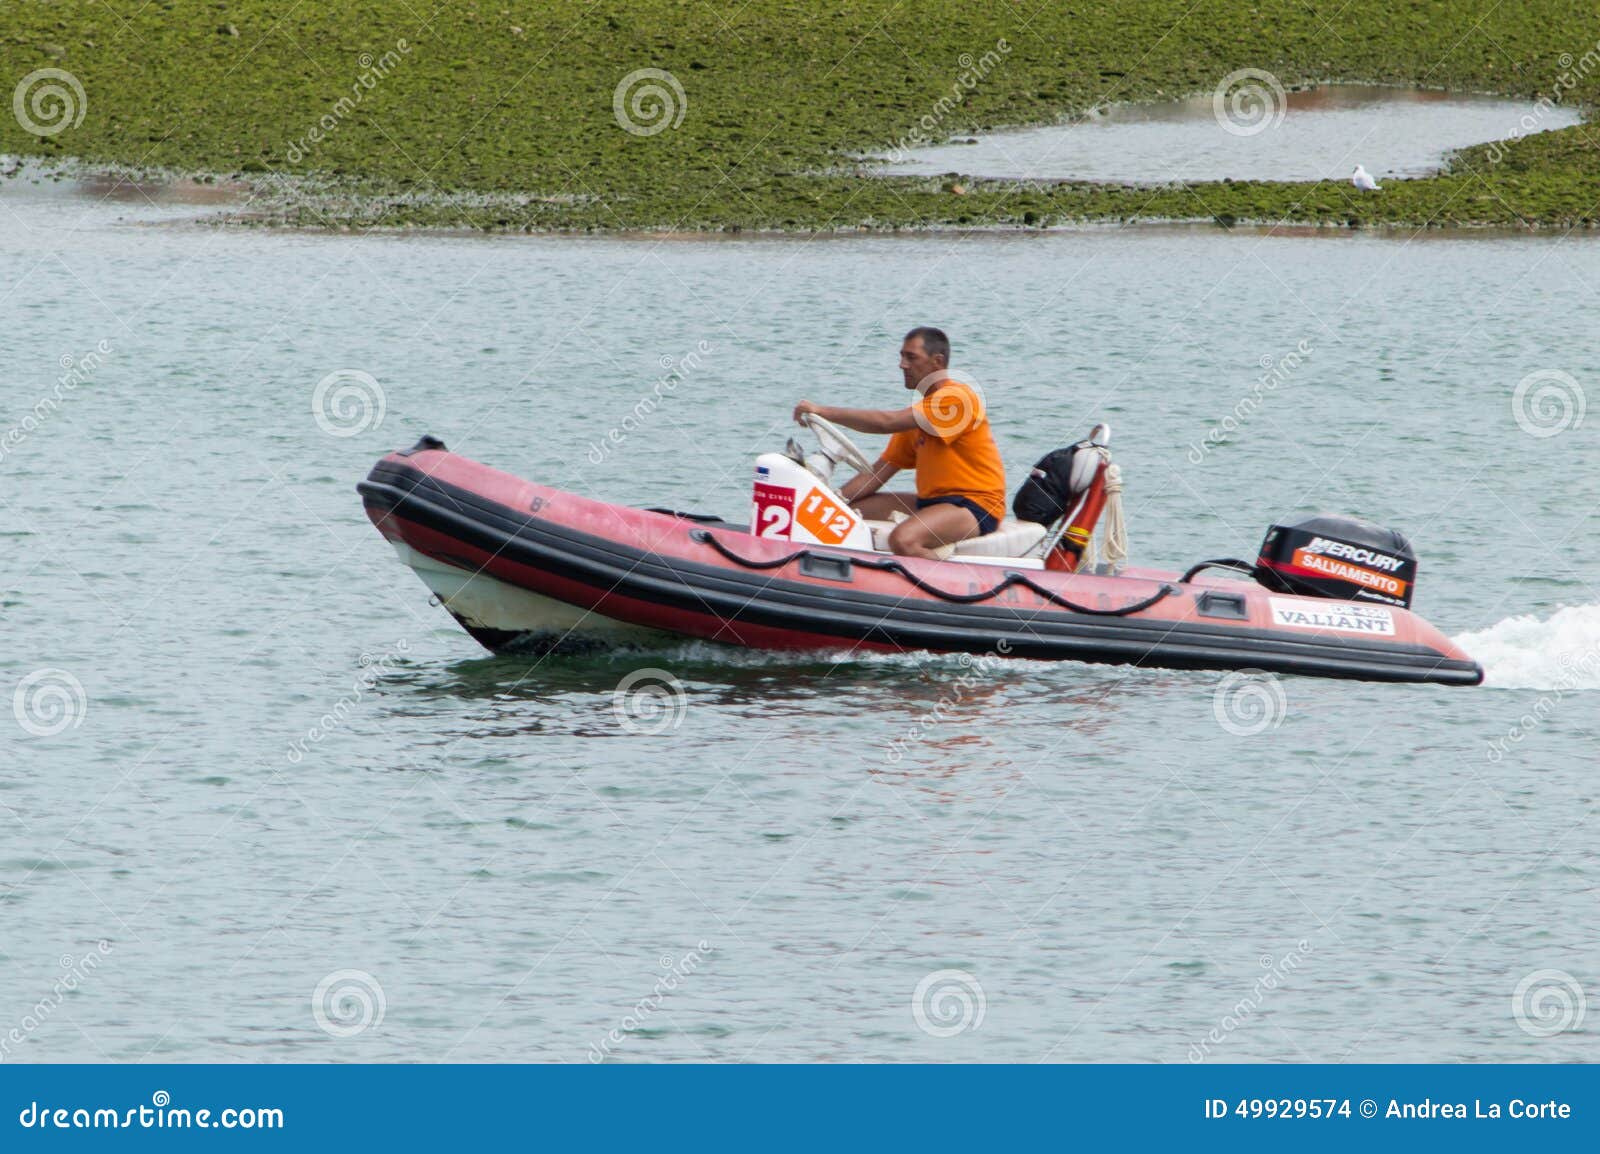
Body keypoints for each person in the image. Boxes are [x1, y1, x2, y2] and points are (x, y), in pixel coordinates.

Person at [792, 327, 1005, 559]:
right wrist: (829, 502)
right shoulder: (919, 414)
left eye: (911, 357)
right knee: (843, 514)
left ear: (937, 361)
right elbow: (878, 473)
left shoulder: (956, 399)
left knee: (903, 540)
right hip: (932, 503)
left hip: (975, 506)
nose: (902, 364)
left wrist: (822, 411)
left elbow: (887, 422)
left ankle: (951, 588)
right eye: (901, 356)